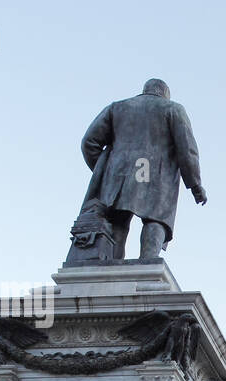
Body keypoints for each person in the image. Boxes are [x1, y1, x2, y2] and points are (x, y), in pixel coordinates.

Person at [80, 78, 208, 260]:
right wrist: (195, 185)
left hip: (118, 176)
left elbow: (89, 142)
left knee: (117, 222)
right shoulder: (173, 109)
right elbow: (187, 150)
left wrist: (105, 173)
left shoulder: (117, 108)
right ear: (164, 93)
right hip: (155, 175)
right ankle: (147, 268)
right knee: (155, 219)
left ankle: (112, 267)